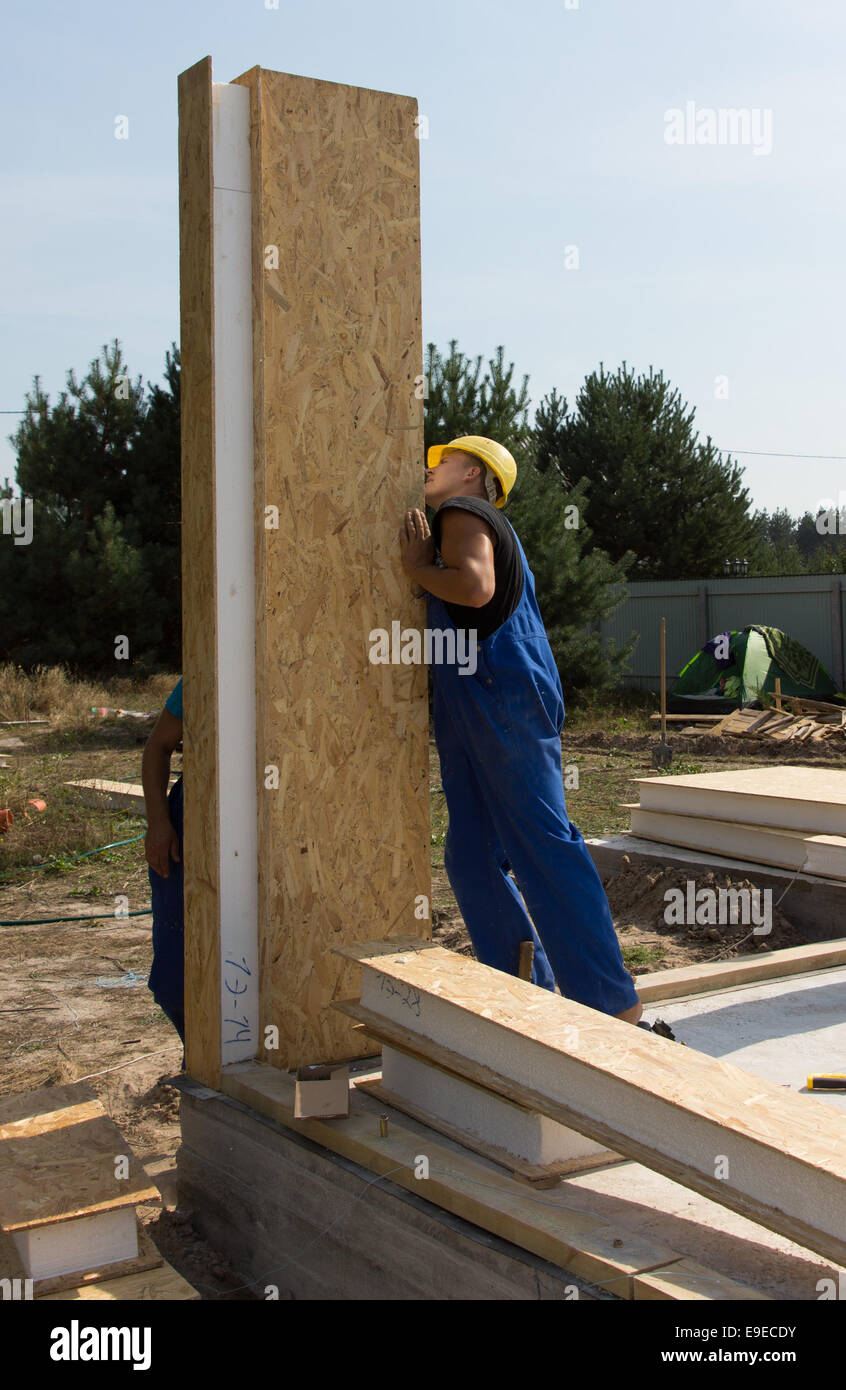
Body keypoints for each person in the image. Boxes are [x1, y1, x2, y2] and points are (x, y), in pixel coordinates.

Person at [399, 436, 647, 1025]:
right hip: (473, 697)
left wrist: (415, 568)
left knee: (543, 846)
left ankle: (612, 1002)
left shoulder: (466, 513)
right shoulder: (457, 522)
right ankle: (523, 986)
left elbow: (476, 586)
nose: (430, 467)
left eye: (443, 460)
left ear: (473, 475)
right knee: (470, 855)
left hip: (502, 690)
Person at [141, 676, 185, 1045]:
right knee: (177, 973)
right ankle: (198, 1060)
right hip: (194, 821)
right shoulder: (208, 671)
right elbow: (159, 745)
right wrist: (158, 821)